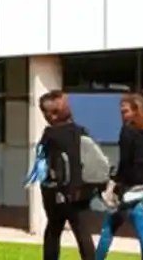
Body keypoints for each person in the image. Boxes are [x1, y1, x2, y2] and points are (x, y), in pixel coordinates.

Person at [95, 93, 143, 260]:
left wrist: (117, 185)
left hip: (131, 188)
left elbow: (126, 162)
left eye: (126, 111)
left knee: (109, 228)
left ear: (136, 111)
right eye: (121, 112)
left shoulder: (127, 131)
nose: (123, 115)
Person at [28, 90, 96, 260]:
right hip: (80, 191)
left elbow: (44, 162)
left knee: (53, 230)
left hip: (55, 192)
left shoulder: (50, 135)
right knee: (82, 233)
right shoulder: (80, 132)